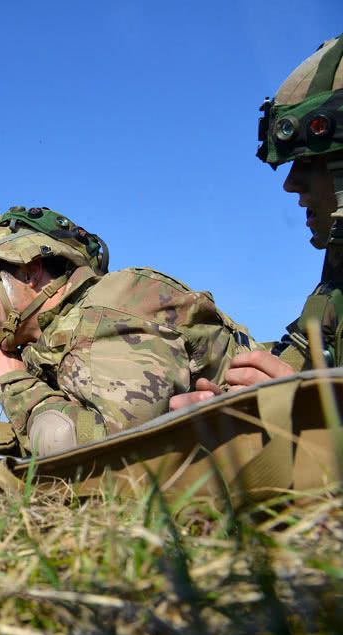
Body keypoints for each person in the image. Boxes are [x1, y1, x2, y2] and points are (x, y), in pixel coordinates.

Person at [0, 205, 254, 456]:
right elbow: (43, 448)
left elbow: (111, 453)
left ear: (30, 272)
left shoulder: (111, 307)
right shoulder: (51, 343)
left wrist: (16, 383)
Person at [170, 32, 343, 410]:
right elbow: (294, 365)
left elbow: (306, 397)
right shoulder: (334, 288)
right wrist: (229, 403)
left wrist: (308, 406)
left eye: (310, 161)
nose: (290, 184)